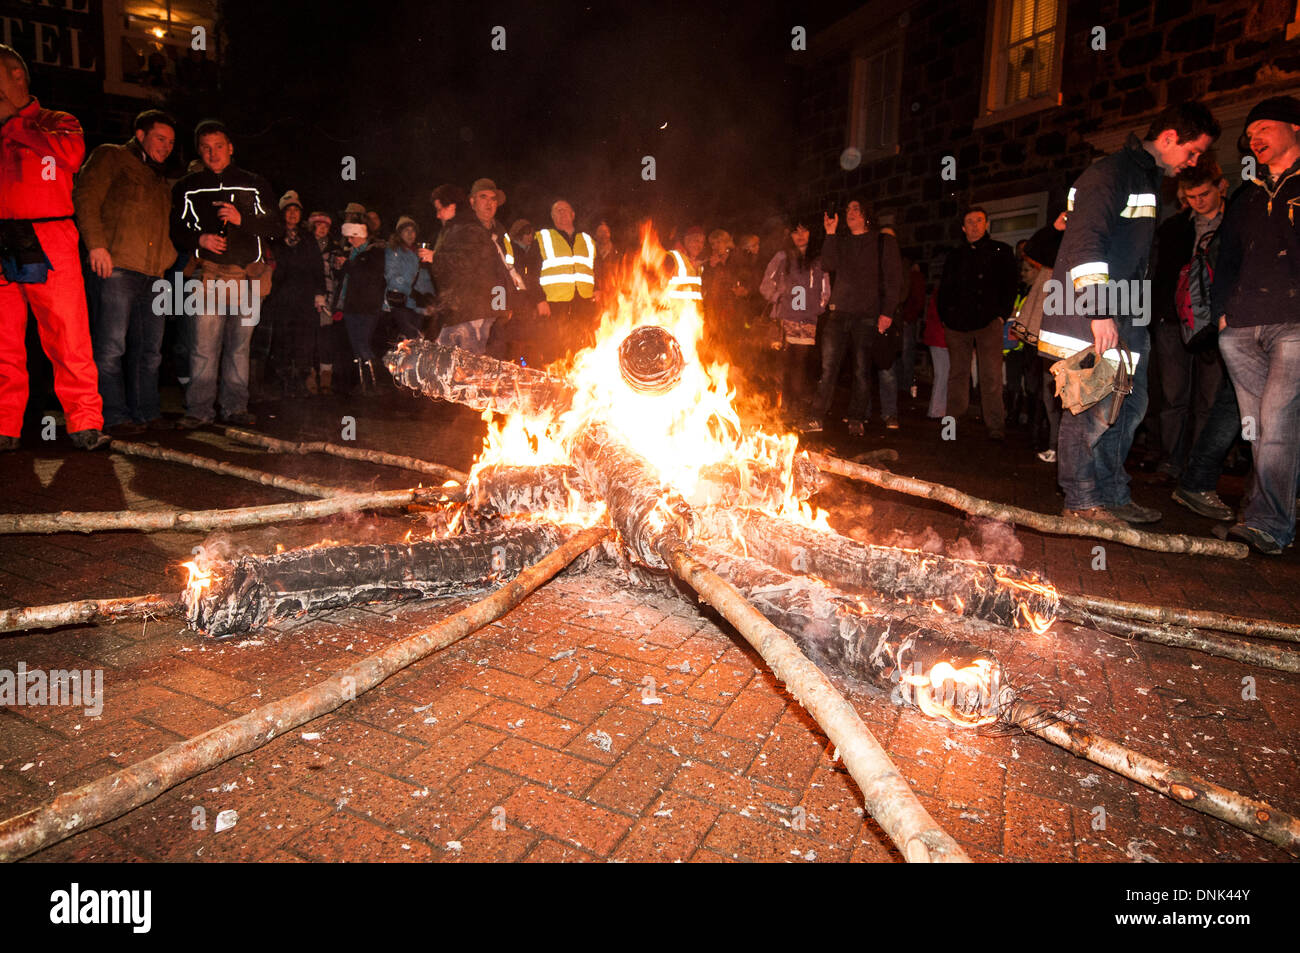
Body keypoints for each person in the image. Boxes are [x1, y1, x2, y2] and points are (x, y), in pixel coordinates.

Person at [1040, 101, 1218, 524]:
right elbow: (1087, 244)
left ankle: (1114, 495)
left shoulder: (1145, 178)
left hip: (1127, 315)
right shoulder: (1111, 174)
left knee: (1129, 408)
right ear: (1170, 138)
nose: (1194, 162)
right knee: (1089, 410)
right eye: (1192, 152)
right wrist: (1100, 310)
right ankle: (1082, 503)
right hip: (1093, 315)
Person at [0, 44, 107, 451]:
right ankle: (5, 425)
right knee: (3, 340)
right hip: (2, 236)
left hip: (50, 235)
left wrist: (12, 124)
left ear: (16, 75)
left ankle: (84, 422)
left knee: (67, 333)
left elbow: (73, 154)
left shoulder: (57, 120)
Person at [1212, 96, 1300, 553]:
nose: (1254, 139)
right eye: (1249, 135)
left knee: (1279, 421)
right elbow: (1225, 258)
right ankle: (1264, 510)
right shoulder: (1246, 197)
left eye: (1263, 128)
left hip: (1294, 323)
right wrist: (1222, 312)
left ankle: (1270, 524)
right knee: (1258, 428)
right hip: (1242, 328)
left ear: (1295, 128)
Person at [73, 108, 177, 436]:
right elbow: (85, 197)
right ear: (141, 134)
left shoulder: (160, 177)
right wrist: (96, 246)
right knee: (110, 347)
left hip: (154, 274)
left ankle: (146, 412)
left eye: (171, 142)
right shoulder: (111, 156)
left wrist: (171, 260)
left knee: (150, 351)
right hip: (116, 266)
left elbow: (166, 226)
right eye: (160, 138)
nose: (166, 146)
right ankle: (113, 415)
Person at [171, 119, 277, 428]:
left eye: (219, 146)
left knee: (239, 348)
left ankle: (235, 408)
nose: (213, 153)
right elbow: (175, 230)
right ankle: (199, 411)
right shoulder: (186, 186)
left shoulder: (254, 183)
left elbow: (275, 227)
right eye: (206, 148)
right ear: (199, 151)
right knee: (203, 348)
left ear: (230, 148)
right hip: (208, 276)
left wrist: (242, 219)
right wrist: (199, 240)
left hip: (246, 277)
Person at [804, 196, 903, 435]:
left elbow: (894, 279)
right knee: (828, 368)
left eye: (856, 209)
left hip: (867, 315)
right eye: (847, 209)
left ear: (867, 214)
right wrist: (830, 233)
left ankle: (856, 417)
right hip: (839, 314)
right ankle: (816, 416)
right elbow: (827, 264)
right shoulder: (843, 241)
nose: (850, 212)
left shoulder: (883, 242)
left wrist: (887, 313)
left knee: (861, 369)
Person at [937, 208, 1019, 440]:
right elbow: (944, 289)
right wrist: (945, 317)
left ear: (987, 224)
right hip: (956, 324)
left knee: (991, 374)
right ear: (963, 228)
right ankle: (952, 423)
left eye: (978, 221)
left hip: (988, 322)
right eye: (969, 222)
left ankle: (995, 425)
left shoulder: (1001, 251)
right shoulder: (955, 256)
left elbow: (1010, 285)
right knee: (958, 374)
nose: (974, 225)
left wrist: (1001, 315)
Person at [429, 179, 522, 355]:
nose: (489, 203)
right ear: (472, 202)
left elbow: (504, 271)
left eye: (493, 199)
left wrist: (504, 307)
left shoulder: (501, 232)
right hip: (472, 310)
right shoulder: (465, 227)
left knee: (495, 355)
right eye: (483, 197)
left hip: (496, 304)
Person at [759, 218, 829, 417]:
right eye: (795, 232)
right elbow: (765, 284)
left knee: (799, 364)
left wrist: (817, 308)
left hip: (806, 320)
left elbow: (825, 290)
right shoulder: (782, 257)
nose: (800, 236)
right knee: (782, 362)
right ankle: (777, 405)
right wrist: (778, 297)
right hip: (783, 318)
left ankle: (794, 406)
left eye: (804, 231)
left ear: (811, 233)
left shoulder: (818, 260)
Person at [1011, 222, 1064, 462]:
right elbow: (1033, 249)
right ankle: (1053, 445)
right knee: (1049, 391)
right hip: (1051, 333)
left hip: (1079, 329)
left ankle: (1068, 449)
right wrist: (1055, 228)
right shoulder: (1054, 254)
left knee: (1073, 394)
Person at [264, 191, 325, 397]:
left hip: (304, 297)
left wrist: (319, 292)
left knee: (304, 339)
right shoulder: (273, 238)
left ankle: (301, 380)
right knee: (282, 339)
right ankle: (282, 380)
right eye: (288, 210)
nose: (292, 214)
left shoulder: (308, 238)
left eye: (296, 210)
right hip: (280, 296)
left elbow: (317, 266)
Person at [529, 200, 597, 362]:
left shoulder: (587, 240)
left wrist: (599, 288)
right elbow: (531, 272)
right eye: (556, 211)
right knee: (554, 349)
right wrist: (539, 300)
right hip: (554, 305)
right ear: (552, 217)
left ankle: (582, 384)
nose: (561, 213)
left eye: (564, 209)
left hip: (583, 303)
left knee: (582, 348)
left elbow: (597, 267)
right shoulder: (543, 237)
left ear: (573, 214)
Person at [334, 220, 387, 392]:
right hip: (351, 306)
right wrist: (340, 267)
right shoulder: (352, 254)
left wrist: (347, 265)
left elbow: (368, 276)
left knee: (363, 343)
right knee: (356, 344)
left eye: (352, 237)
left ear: (360, 236)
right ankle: (364, 383)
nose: (349, 241)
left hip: (367, 307)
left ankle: (373, 381)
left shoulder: (374, 253)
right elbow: (346, 279)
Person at [383, 215, 435, 346]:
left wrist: (429, 297)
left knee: (415, 341)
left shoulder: (418, 253)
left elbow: (424, 277)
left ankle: (411, 365)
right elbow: (392, 277)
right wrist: (411, 292)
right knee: (412, 338)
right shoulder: (393, 251)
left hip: (418, 305)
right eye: (407, 230)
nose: (411, 234)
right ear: (399, 233)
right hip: (401, 302)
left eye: (413, 231)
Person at [307, 210, 342, 394]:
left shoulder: (335, 248)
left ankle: (326, 375)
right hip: (307, 297)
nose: (322, 229)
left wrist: (340, 267)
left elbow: (339, 276)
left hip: (328, 298)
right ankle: (310, 374)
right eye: (318, 225)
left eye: (325, 226)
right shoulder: (305, 245)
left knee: (325, 338)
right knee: (309, 338)